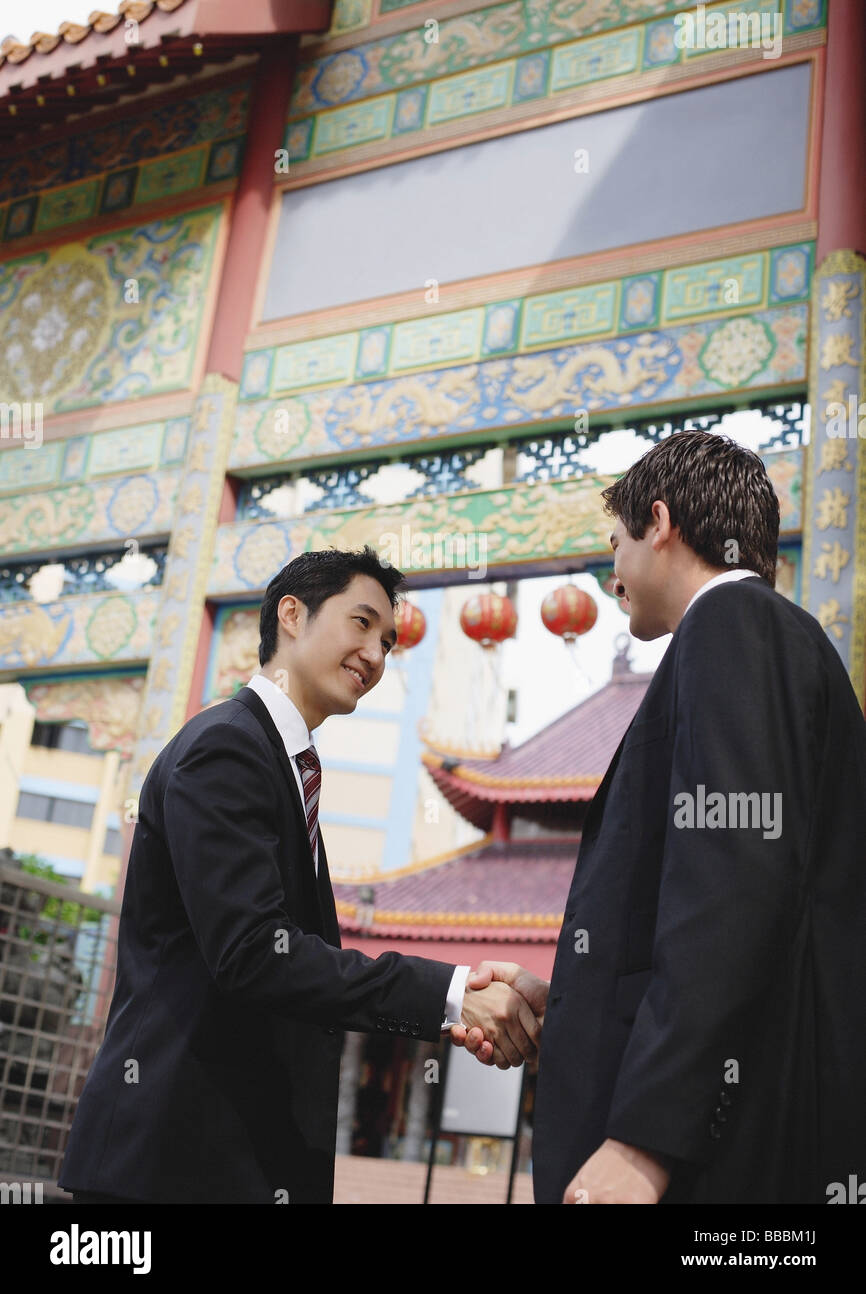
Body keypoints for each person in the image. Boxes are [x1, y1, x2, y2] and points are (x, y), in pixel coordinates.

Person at [455, 430, 866, 1204]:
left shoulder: (732, 624)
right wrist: (573, 1001)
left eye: (615, 544)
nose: (612, 572)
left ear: (660, 521)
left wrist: (647, 1141)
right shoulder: (768, 638)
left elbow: (733, 888)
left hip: (727, 1159)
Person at [58, 546, 542, 1204]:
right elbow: (255, 955)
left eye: (390, 640)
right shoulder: (226, 747)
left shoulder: (288, 764)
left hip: (236, 1163)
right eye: (361, 623)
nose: (376, 653)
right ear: (292, 614)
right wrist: (454, 993)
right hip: (166, 1163)